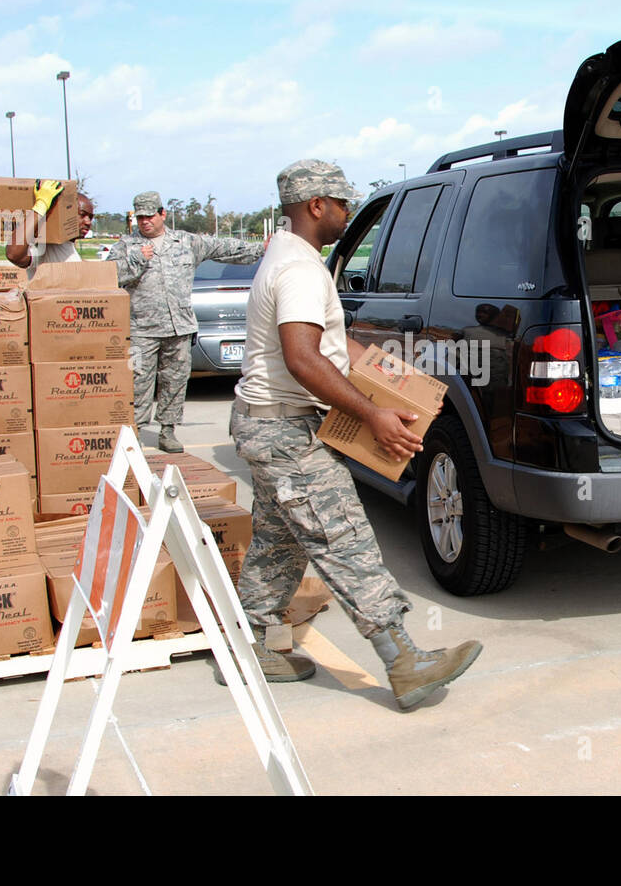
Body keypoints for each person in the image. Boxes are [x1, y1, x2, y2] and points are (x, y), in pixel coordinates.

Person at [230, 159, 482, 711]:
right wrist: (372, 413)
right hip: (283, 428)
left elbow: (310, 356)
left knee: (279, 539)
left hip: (265, 421)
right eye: (342, 203)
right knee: (343, 537)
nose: (348, 212)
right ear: (315, 206)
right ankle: (404, 661)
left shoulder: (286, 255)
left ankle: (253, 646)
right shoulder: (299, 270)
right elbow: (302, 358)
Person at [109, 191, 263, 453]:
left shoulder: (185, 242)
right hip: (141, 329)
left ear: (162, 214)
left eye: (150, 216)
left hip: (179, 327)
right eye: (140, 217)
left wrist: (263, 249)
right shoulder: (125, 247)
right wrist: (137, 259)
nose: (145, 222)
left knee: (175, 380)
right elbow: (109, 276)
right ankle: (133, 432)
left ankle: (168, 431)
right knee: (138, 381)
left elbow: (222, 248)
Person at [3, 180, 95, 278]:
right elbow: (14, 254)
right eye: (82, 214)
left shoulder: (69, 248)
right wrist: (41, 206)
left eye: (90, 217)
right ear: (66, 213)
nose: (88, 222)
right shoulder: (47, 246)